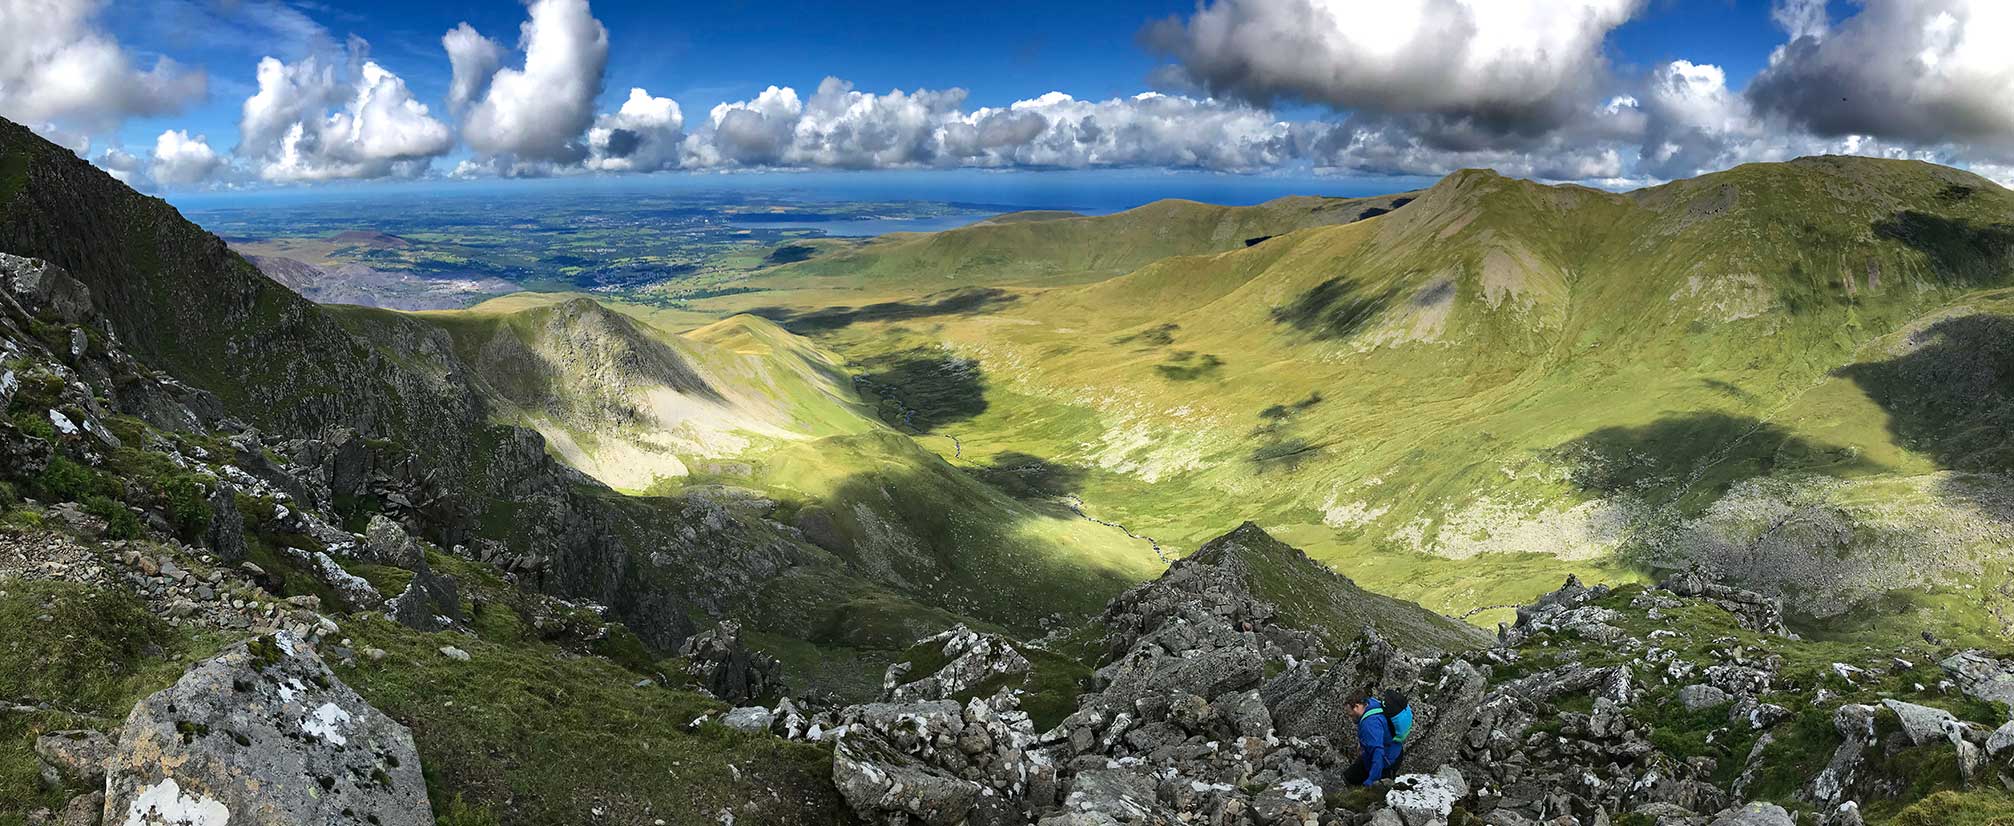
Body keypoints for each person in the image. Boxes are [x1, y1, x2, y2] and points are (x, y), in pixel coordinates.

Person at [1343, 691, 1407, 786]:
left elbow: (1378, 752)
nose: (1351, 718)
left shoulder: (1369, 724)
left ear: (1356, 706)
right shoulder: (1372, 703)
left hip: (1387, 761)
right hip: (1394, 750)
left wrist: (1372, 779)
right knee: (1349, 776)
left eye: (1350, 715)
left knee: (1376, 794)